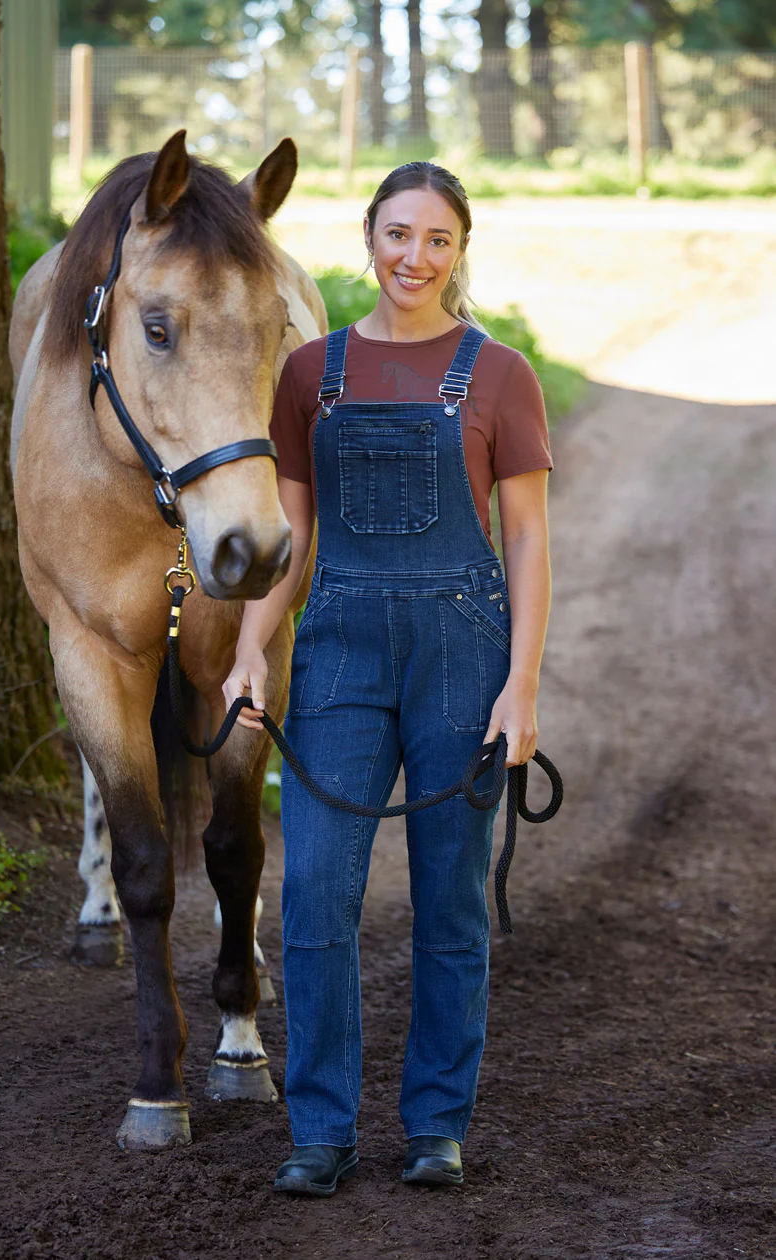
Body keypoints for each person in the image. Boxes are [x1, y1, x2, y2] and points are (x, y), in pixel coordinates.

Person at [223, 162, 553, 1195]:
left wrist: (523, 688)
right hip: (340, 651)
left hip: (464, 654)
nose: (415, 257)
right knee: (317, 889)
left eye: (438, 240)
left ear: (461, 252)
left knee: (450, 899)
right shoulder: (309, 372)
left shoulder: (499, 376)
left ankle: (435, 1124)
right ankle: (321, 1129)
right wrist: (247, 653)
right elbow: (293, 535)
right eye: (398, 234)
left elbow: (531, 542)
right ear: (368, 237)